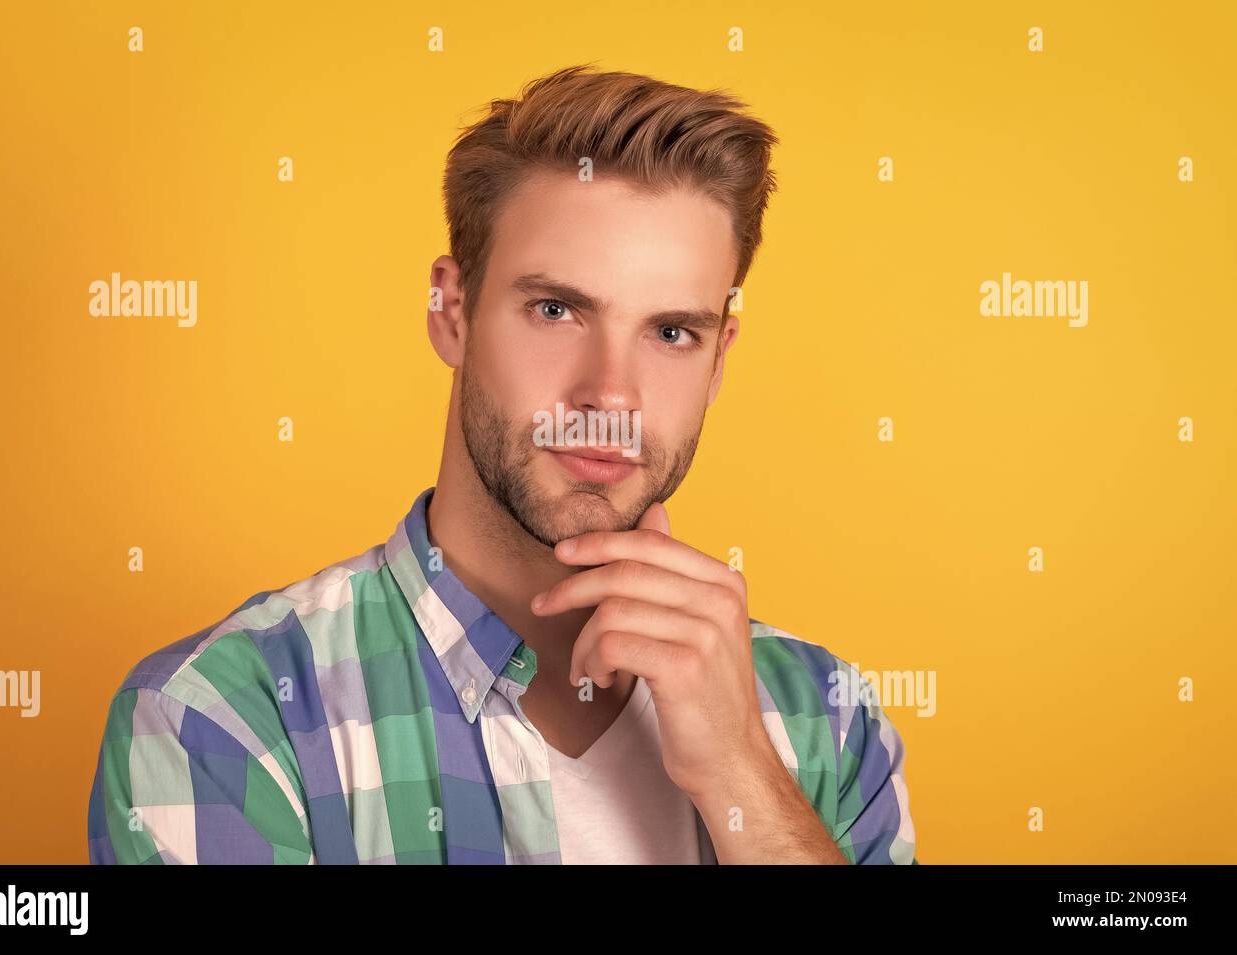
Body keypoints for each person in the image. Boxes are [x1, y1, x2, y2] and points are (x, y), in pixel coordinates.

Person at [87, 64, 917, 865]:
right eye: (555, 309)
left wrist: (743, 774)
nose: (611, 396)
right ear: (451, 312)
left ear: (719, 358)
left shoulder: (828, 721)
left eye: (671, 332)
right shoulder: (223, 718)